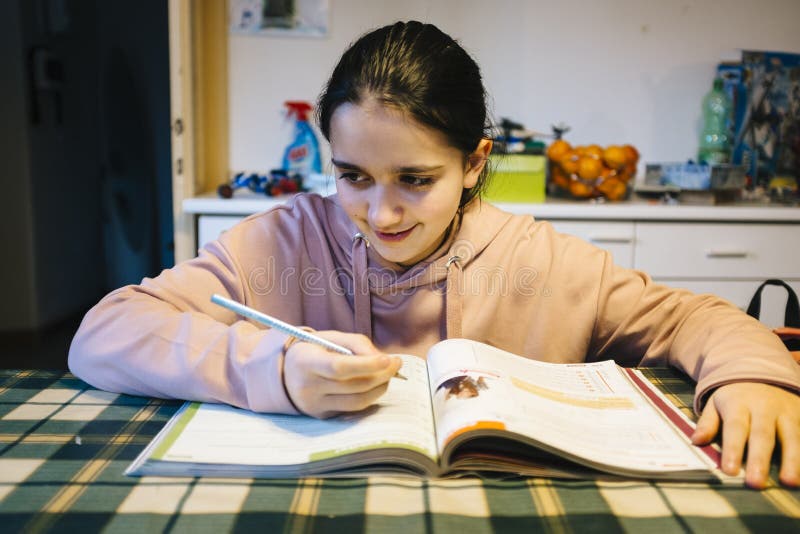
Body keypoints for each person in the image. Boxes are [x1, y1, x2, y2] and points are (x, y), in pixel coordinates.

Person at [69, 21, 800, 489]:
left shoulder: (540, 259)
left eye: (416, 180)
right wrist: (277, 370)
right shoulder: (283, 239)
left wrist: (753, 378)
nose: (379, 213)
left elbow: (695, 318)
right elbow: (104, 333)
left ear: (475, 162)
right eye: (353, 176)